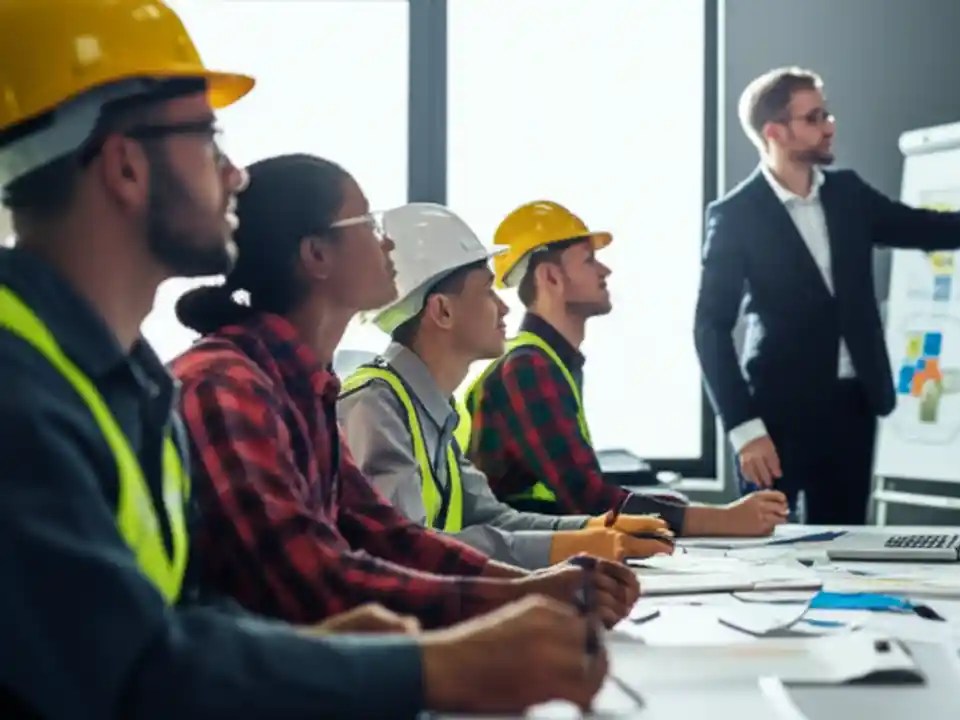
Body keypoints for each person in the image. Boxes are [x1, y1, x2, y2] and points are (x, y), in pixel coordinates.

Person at [0, 1, 607, 716]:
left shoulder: (122, 379)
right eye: (208, 137)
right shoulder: (22, 391)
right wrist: (421, 669)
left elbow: (180, 615)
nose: (234, 175)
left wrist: (339, 653)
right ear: (126, 165)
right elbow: (137, 672)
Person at [170, 153, 639, 630]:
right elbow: (312, 580)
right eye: (370, 224)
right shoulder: (228, 388)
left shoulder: (306, 390)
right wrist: (510, 601)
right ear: (316, 255)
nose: (387, 241)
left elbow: (386, 535)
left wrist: (528, 590)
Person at [694, 67, 960, 524]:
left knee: (845, 553)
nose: (830, 125)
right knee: (767, 557)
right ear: (775, 132)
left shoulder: (849, 195)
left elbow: (932, 228)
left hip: (854, 408)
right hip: (776, 419)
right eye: (814, 117)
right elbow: (710, 327)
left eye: (827, 113)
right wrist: (744, 429)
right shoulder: (735, 215)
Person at [338, 203, 675, 568]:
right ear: (442, 311)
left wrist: (594, 528)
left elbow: (494, 519)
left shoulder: (433, 410)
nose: (504, 308)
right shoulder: (374, 407)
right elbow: (408, 548)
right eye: (487, 291)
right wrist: (577, 546)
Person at [461, 200, 791, 537]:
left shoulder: (549, 362)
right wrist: (724, 520)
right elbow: (586, 500)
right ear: (551, 277)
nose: (604, 271)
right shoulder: (528, 368)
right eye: (589, 260)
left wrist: (681, 507)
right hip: (519, 560)